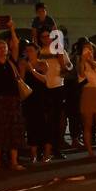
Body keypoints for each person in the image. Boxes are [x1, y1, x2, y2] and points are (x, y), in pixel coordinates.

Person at [0, 19, 26, 172]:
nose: (2, 49)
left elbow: (16, 44)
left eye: (4, 47)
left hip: (13, 99)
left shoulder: (12, 62)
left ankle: (14, 161)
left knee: (13, 130)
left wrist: (12, 28)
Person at [37, 27, 70, 159]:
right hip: (44, 87)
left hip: (57, 86)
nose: (46, 39)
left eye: (48, 36)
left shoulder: (59, 51)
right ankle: (43, 148)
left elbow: (69, 65)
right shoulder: (39, 51)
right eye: (43, 37)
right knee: (44, 120)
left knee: (57, 120)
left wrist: (65, 68)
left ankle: (56, 148)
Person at [20, 41, 52, 164]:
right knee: (32, 126)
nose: (29, 53)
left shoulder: (42, 64)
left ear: (37, 51)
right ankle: (33, 155)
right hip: (30, 99)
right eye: (27, 51)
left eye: (31, 50)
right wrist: (23, 69)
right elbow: (22, 82)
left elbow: (45, 79)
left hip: (42, 98)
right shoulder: (24, 64)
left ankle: (47, 154)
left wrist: (32, 69)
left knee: (45, 125)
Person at [77, 42, 96, 158]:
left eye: (90, 49)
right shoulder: (82, 63)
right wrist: (83, 61)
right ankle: (90, 151)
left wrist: (90, 60)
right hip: (88, 92)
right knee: (88, 124)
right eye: (86, 49)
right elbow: (80, 75)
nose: (88, 51)